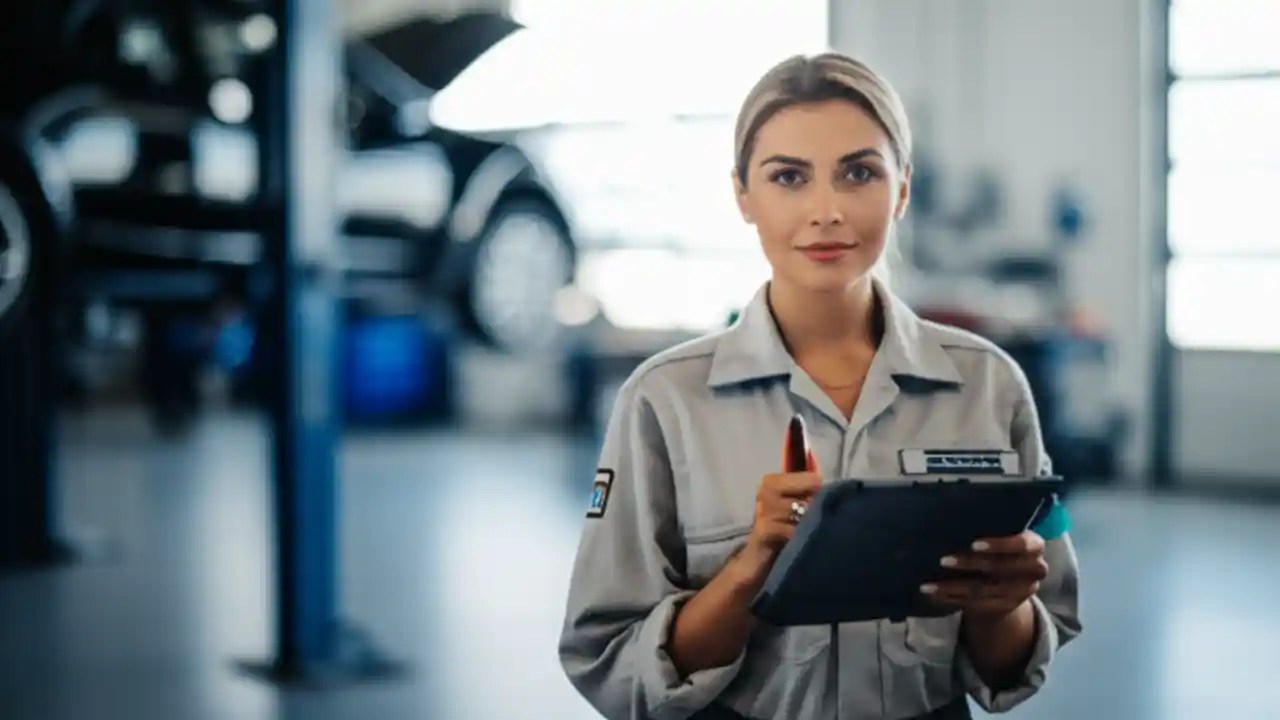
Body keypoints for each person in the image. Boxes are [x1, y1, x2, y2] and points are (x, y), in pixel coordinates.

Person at [558, 52, 1081, 720]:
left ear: (902, 190)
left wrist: (999, 606)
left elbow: (1019, 660)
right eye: (788, 177)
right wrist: (755, 565)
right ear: (743, 195)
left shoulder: (988, 385)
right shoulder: (664, 402)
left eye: (859, 172)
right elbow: (611, 663)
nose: (827, 210)